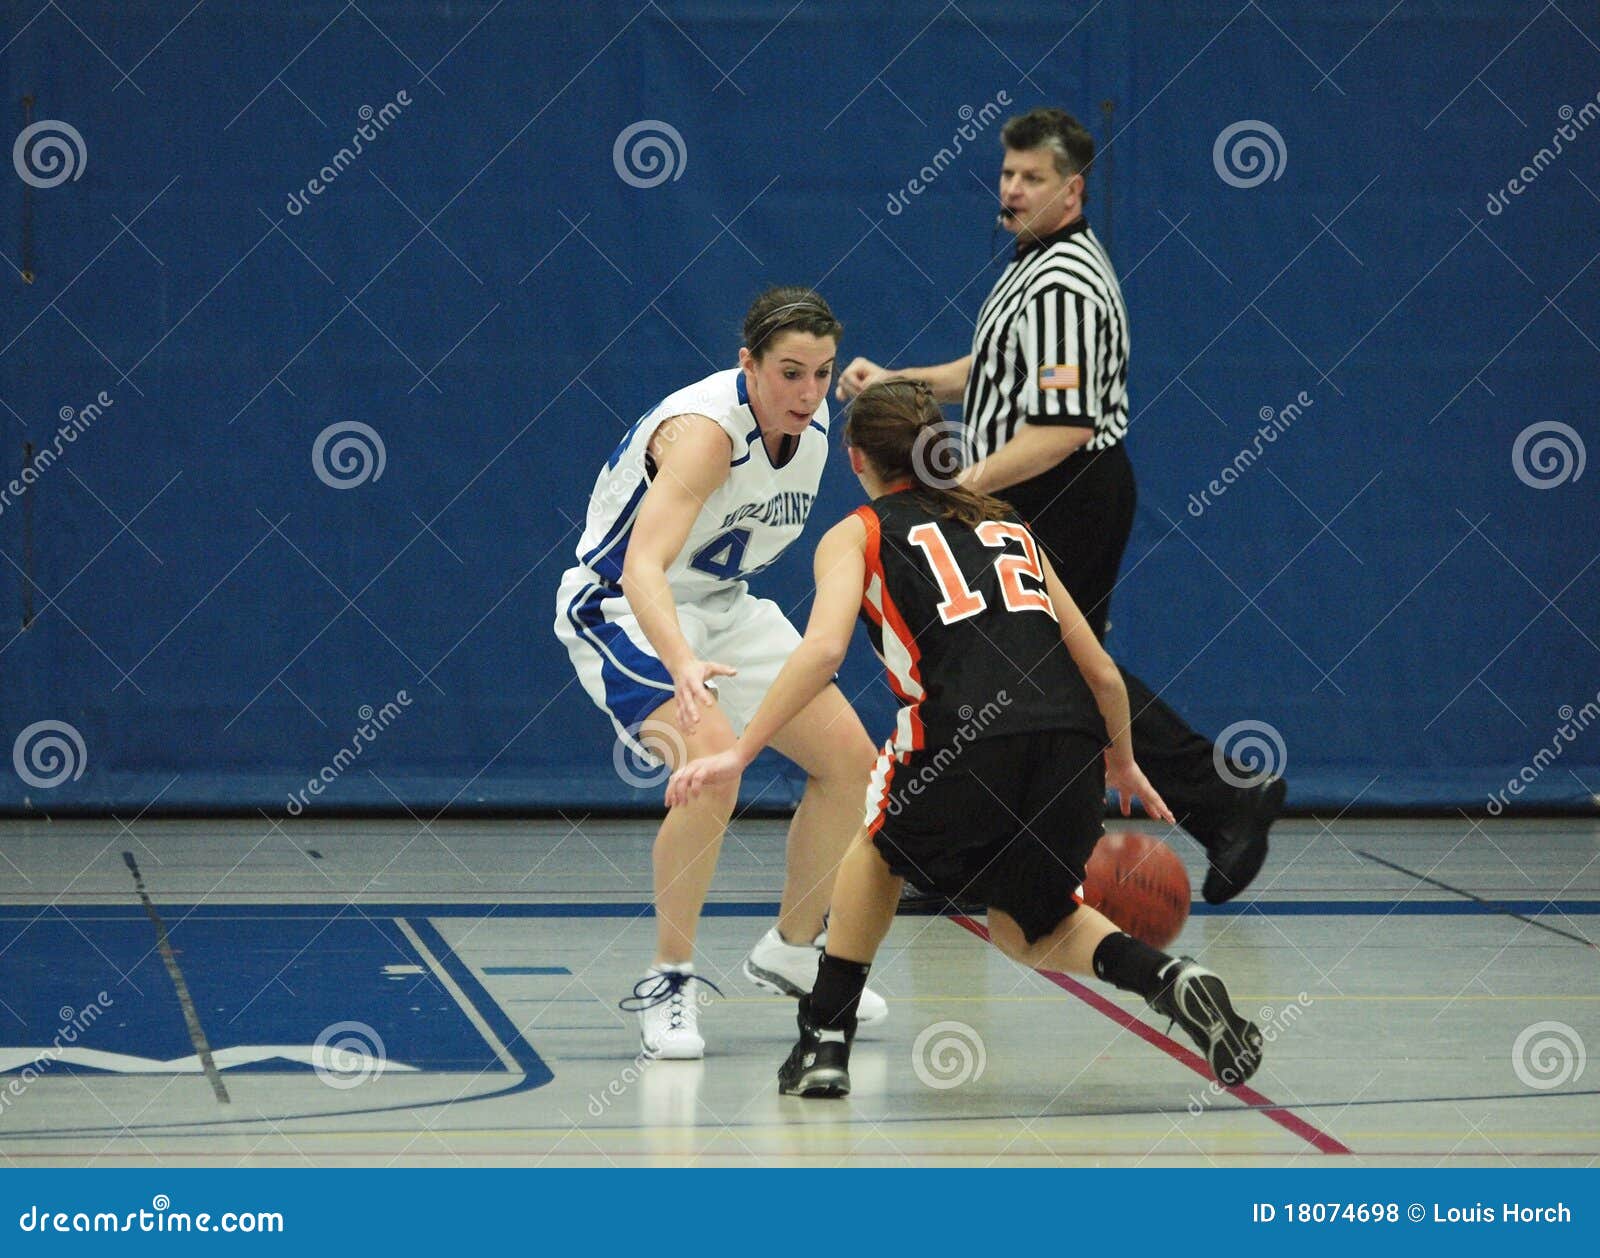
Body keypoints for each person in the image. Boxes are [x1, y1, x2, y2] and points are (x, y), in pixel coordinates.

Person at [667, 380, 1263, 1097]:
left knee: (876, 849)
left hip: (959, 738)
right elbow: (1103, 673)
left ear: (855, 457)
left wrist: (741, 749)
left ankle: (825, 1037)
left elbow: (822, 651)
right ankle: (1170, 977)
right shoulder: (1009, 525)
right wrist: (1126, 762)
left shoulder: (856, 532)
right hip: (1069, 743)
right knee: (1030, 928)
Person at [836, 107, 1284, 906]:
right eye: (1008, 173)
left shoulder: (1066, 284)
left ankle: (1221, 796)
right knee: (1026, 669)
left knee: (1055, 666)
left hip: (1065, 488)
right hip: (1034, 487)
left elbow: (1063, 428)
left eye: (1031, 177)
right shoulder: (1035, 264)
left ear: (1072, 189)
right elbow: (992, 369)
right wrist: (900, 381)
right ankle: (1019, 843)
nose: (1011, 188)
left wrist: (964, 490)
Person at [553, 287, 886, 1060]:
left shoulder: (812, 427)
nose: (808, 392)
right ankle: (668, 979)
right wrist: (682, 663)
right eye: (790, 373)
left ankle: (793, 948)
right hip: (625, 607)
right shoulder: (705, 436)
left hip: (724, 604)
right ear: (749, 364)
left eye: (821, 373)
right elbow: (642, 566)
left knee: (852, 764)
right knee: (710, 767)